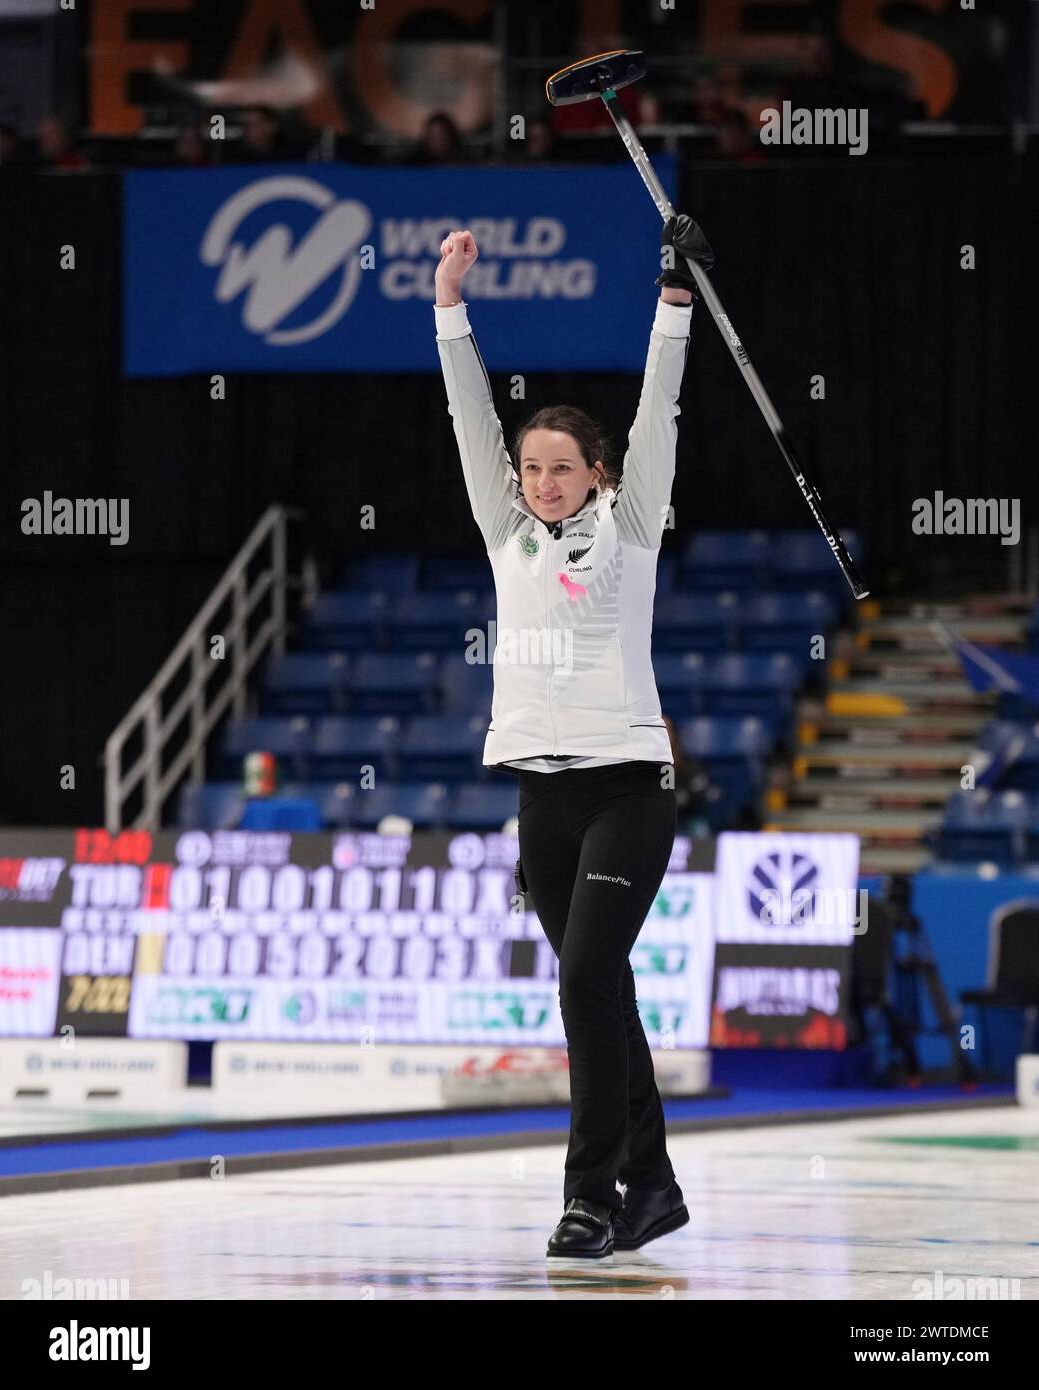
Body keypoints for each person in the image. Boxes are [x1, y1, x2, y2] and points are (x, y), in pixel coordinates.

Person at [434, 213, 715, 1258]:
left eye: (561, 466)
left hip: (627, 789)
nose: (543, 479)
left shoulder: (631, 520)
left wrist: (673, 299)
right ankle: (655, 1186)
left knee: (583, 980)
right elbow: (467, 415)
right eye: (532, 466)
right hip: (539, 795)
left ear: (597, 471)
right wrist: (448, 306)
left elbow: (660, 404)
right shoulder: (506, 529)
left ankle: (590, 1195)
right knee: (602, 991)